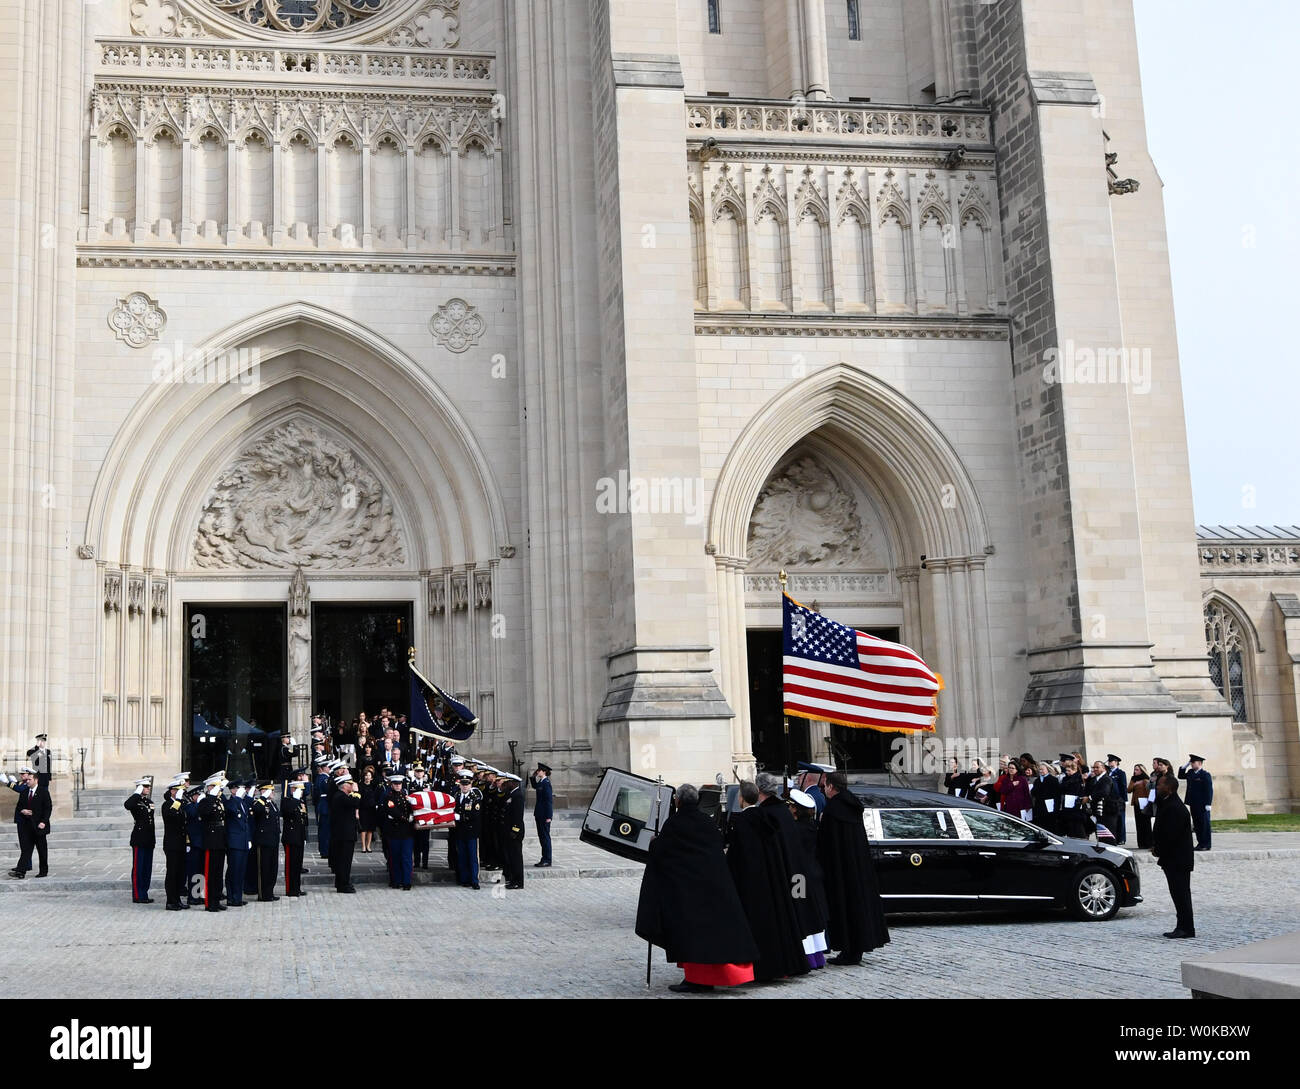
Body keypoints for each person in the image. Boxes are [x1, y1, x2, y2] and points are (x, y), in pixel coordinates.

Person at [636, 783, 759, 994]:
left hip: (688, 892)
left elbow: (662, 851)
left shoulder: (674, 824)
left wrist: (654, 842)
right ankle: (706, 978)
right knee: (712, 937)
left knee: (694, 938)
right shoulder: (707, 822)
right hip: (714, 887)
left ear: (678, 801)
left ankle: (697, 980)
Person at [725, 778, 809, 983]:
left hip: (750, 883)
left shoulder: (742, 822)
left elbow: (737, 856)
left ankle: (758, 969)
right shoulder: (767, 818)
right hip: (771, 880)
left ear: (742, 799)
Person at [817, 772, 889, 966]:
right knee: (857, 905)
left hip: (841, 869)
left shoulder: (833, 810)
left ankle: (848, 950)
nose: (824, 790)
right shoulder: (852, 805)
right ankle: (855, 949)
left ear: (831, 787)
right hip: (857, 866)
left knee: (845, 907)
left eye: (825, 786)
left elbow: (827, 844)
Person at [786, 788, 829, 969]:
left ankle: (808, 956)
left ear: (795, 809)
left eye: (790, 806)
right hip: (813, 874)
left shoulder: (794, 830)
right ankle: (817, 955)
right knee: (814, 915)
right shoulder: (811, 826)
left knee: (802, 914)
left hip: (799, 878)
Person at [1151, 772, 1195, 938]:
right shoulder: (1168, 803)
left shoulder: (1174, 807)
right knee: (1178, 894)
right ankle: (1182, 925)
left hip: (1177, 860)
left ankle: (1186, 928)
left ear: (1169, 788)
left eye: (1160, 784)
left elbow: (1170, 835)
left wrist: (1158, 849)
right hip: (1173, 859)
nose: (1157, 787)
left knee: (1181, 894)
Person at [4, 767, 49, 879]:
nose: (27, 781)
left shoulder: (43, 791)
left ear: (36, 780)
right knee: (26, 849)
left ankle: (43, 871)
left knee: (42, 850)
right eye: (27, 780)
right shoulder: (25, 792)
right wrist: (22, 810)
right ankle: (20, 871)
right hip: (27, 825)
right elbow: (19, 806)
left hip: (39, 825)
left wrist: (43, 821)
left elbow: (47, 808)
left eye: (29, 779)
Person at [196, 772, 228, 911]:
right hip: (211, 840)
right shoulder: (205, 800)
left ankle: (216, 899)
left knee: (218, 872)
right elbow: (203, 813)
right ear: (209, 787)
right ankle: (209, 902)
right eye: (216, 786)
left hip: (220, 839)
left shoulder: (218, 800)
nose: (218, 789)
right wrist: (211, 797)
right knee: (210, 872)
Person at [123, 777, 155, 904]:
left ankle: (144, 893)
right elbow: (127, 805)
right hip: (139, 838)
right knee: (138, 868)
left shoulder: (149, 802)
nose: (148, 788)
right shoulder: (135, 802)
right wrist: (137, 793)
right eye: (145, 786)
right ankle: (137, 895)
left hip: (149, 838)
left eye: (148, 786)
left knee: (147, 868)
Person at [159, 774, 189, 910]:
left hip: (181, 843)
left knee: (179, 873)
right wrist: (177, 801)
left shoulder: (180, 804)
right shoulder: (167, 804)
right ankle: (170, 901)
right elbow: (170, 816)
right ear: (172, 791)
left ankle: (177, 899)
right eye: (178, 790)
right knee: (172, 873)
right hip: (172, 844)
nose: (181, 792)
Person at [383, 773, 416, 890]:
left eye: (399, 784)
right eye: (395, 784)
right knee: (395, 858)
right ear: (392, 785)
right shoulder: (389, 797)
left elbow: (410, 809)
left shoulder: (405, 796)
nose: (398, 786)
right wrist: (406, 818)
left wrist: (413, 808)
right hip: (395, 831)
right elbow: (393, 811)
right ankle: (396, 881)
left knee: (407, 858)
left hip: (407, 832)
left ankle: (407, 881)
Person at [329, 772, 360, 893]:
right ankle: (343, 884)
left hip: (344, 834)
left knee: (344, 860)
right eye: (350, 784)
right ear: (344, 785)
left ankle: (341, 883)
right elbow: (355, 802)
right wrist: (356, 792)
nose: (352, 786)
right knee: (344, 861)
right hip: (344, 835)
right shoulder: (340, 796)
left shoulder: (342, 796)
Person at [223, 779, 252, 908]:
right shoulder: (230, 802)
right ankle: (232, 897)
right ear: (233, 790)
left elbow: (246, 823)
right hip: (234, 843)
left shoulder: (242, 802)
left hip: (243, 841)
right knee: (233, 871)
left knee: (241, 871)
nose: (242, 790)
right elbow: (231, 811)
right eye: (238, 788)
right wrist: (237, 798)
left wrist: (248, 839)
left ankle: (238, 897)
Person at [250, 782, 280, 902]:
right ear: (264, 791)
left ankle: (270, 892)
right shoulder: (259, 803)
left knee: (273, 868)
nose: (273, 793)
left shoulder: (272, 803)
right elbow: (256, 810)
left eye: (272, 790)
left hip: (273, 840)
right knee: (264, 869)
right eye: (270, 790)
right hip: (263, 841)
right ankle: (263, 894)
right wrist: (262, 797)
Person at [453, 770, 482, 890]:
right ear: (459, 784)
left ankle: (474, 880)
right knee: (462, 856)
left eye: (467, 784)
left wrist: (461, 817)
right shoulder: (457, 796)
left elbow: (475, 814)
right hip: (460, 831)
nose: (465, 786)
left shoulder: (475, 797)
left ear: (471, 784)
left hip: (471, 831)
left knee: (473, 857)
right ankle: (464, 879)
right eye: (463, 784)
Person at [281, 775, 309, 897]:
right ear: (293, 790)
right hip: (291, 838)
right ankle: (290, 889)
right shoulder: (287, 801)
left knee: (297, 865)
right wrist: (295, 799)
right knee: (291, 865)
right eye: (299, 789)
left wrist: (304, 837)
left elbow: (303, 821)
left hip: (299, 837)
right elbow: (287, 812)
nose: (301, 792)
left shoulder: (300, 802)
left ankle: (296, 888)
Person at [1178, 755, 1213, 851]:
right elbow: (1180, 776)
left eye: (1193, 762)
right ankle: (1200, 843)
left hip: (1202, 804)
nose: (1192, 764)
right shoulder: (1190, 773)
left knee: (1204, 825)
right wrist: (1185, 765)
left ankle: (1206, 844)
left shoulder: (1205, 775)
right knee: (1197, 825)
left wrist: (1208, 803)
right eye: (1191, 762)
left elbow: (1209, 790)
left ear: (1200, 763)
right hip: (1193, 803)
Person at [500, 773, 526, 889]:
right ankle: (512, 879)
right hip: (508, 831)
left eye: (509, 782)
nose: (507, 783)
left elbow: (518, 816)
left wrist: (515, 831)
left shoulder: (518, 796)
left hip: (515, 832)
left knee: (516, 858)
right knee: (511, 857)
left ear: (514, 783)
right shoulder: (511, 794)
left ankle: (518, 882)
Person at [1087, 759, 1121, 841]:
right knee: (1100, 836)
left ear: (1103, 768)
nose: (1095, 769)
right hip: (1098, 812)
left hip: (1108, 811)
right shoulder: (1094, 779)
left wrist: (1089, 798)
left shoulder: (1106, 779)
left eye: (1097, 767)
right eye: (1093, 767)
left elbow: (1104, 792)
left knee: (1108, 835)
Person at [183, 784, 205, 905]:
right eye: (198, 795)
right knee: (193, 871)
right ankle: (192, 897)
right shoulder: (189, 807)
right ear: (193, 797)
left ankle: (199, 894)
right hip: (193, 844)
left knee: (201, 871)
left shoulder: (200, 806)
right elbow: (193, 814)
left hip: (202, 843)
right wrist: (198, 804)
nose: (200, 797)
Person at [1057, 756, 1089, 839]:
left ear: (1074, 770)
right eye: (1066, 770)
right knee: (1070, 829)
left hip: (1076, 807)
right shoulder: (1066, 778)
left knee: (1078, 829)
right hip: (1067, 806)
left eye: (1069, 771)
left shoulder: (1079, 779)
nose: (1067, 772)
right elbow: (1061, 788)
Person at [530, 762, 553, 867]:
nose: (537, 771)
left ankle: (547, 859)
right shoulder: (541, 781)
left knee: (545, 837)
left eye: (539, 770)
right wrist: (533, 777)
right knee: (542, 837)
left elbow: (548, 801)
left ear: (544, 772)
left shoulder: (546, 783)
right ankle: (544, 858)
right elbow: (535, 786)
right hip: (539, 814)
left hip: (544, 815)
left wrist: (549, 816)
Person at [1030, 758, 1061, 833]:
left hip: (1050, 807)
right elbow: (1033, 792)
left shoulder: (1053, 780)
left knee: (1050, 826)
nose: (1041, 771)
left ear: (1047, 769)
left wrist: (1056, 808)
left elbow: (1057, 795)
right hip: (1039, 806)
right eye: (1039, 770)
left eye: (1042, 769)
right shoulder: (1037, 780)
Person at [1128, 764, 1154, 849]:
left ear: (1142, 770)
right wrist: (1134, 783)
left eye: (1137, 770)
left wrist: (1150, 803)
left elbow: (1149, 792)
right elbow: (1128, 790)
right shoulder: (1133, 779)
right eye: (1134, 769)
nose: (1135, 771)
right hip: (1136, 803)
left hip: (1144, 803)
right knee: (1138, 824)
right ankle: (1141, 843)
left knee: (1145, 823)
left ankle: (1148, 843)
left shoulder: (1145, 779)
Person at [1105, 755, 1128, 844]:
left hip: (1119, 799)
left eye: (1111, 761)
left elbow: (1123, 786)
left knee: (1120, 819)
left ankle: (1121, 838)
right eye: (1109, 761)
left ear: (1116, 762)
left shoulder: (1120, 773)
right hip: (1110, 799)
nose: (1109, 763)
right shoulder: (1107, 772)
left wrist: (1124, 799)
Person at [358, 766, 379, 853]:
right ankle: (363, 846)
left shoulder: (374, 786)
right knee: (363, 829)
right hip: (363, 809)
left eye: (369, 775)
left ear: (371, 777)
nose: (367, 777)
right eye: (366, 775)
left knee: (370, 829)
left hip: (372, 809)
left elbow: (376, 797)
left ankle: (368, 846)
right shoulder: (360, 786)